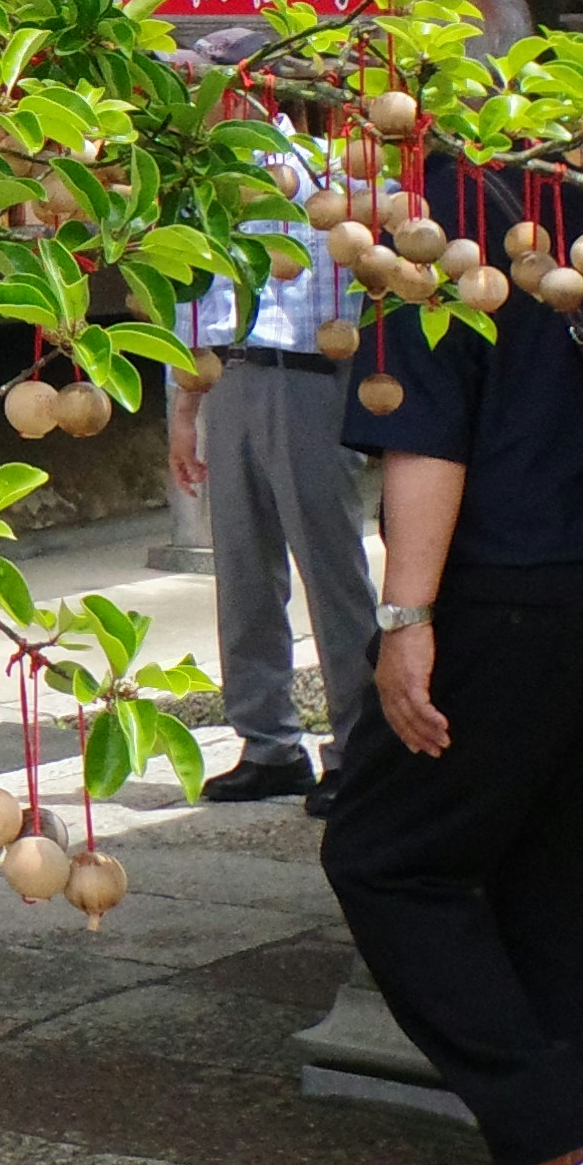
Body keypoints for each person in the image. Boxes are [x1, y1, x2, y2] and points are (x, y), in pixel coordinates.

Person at [321, 0, 583, 1165]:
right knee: (574, 884)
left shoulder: (428, 221)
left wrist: (405, 617)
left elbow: (429, 438)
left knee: (385, 851)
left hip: (507, 588)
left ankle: (552, 1134)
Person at [168, 48, 371, 807]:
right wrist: (186, 410)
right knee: (244, 569)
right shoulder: (202, 180)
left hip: (310, 378)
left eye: (206, 86)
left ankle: (356, 745)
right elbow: (191, 300)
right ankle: (268, 740)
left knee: (330, 566)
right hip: (233, 374)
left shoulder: (323, 170)